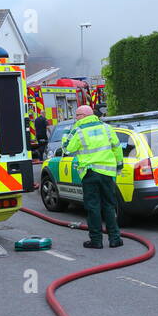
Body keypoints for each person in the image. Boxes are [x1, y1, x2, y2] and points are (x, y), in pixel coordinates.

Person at [61, 104, 124, 249]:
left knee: (93, 207)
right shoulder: (107, 128)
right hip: (107, 173)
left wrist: (66, 133)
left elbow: (67, 148)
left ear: (83, 116)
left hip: (89, 174)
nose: (75, 118)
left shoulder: (78, 130)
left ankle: (96, 240)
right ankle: (115, 239)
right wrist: (119, 166)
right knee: (109, 206)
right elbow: (117, 148)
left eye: (77, 115)